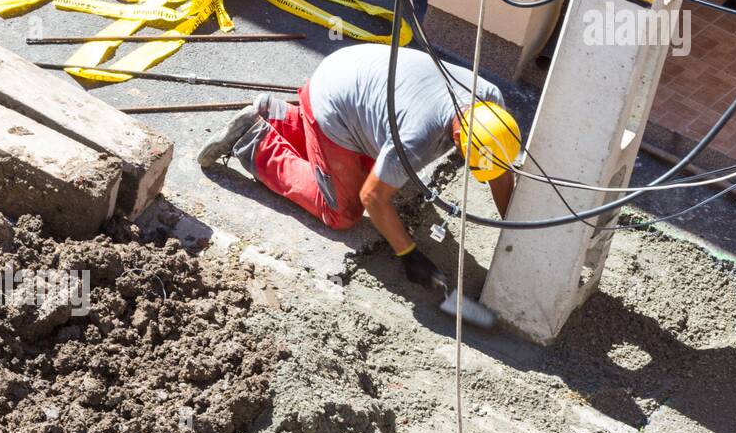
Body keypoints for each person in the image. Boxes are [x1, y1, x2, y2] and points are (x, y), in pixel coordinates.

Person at [197, 43, 520, 286]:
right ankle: (256, 142)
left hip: (356, 75)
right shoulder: (418, 138)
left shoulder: (490, 105)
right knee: (344, 211)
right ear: (460, 137)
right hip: (334, 101)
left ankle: (279, 115)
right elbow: (372, 198)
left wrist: (516, 240)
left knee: (382, 177)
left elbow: (500, 172)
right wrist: (408, 253)